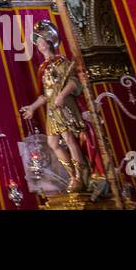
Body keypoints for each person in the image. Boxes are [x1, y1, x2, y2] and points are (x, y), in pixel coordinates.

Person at [20, 20, 91, 193]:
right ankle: (72, 174)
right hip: (52, 108)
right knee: (53, 143)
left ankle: (81, 177)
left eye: (42, 41)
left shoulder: (62, 62)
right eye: (37, 43)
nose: (40, 45)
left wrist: (62, 95)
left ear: (50, 42)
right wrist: (32, 107)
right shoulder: (43, 68)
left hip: (64, 105)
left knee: (69, 139)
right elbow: (45, 94)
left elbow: (74, 83)